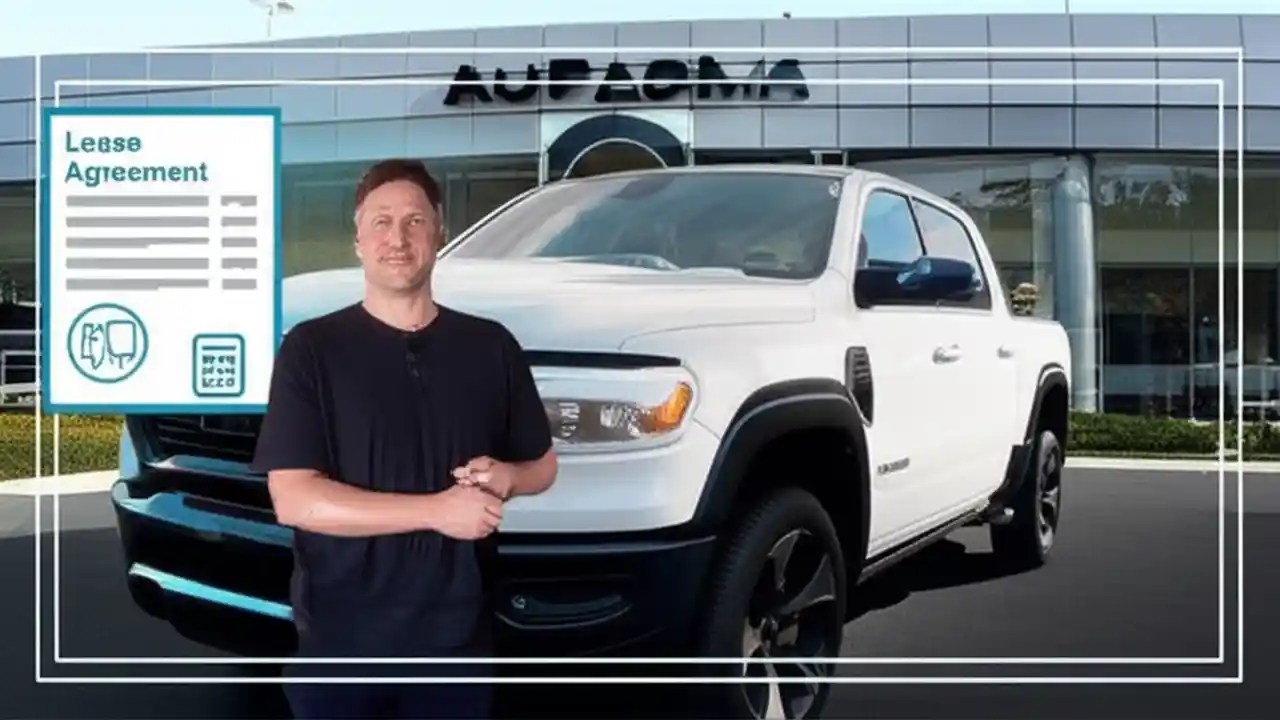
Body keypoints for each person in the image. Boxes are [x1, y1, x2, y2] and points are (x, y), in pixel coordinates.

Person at [250, 158, 558, 719]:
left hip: (458, 645)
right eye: (382, 223)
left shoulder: (491, 347)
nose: (398, 238)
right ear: (358, 241)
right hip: (341, 645)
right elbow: (294, 498)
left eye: (414, 221)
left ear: (439, 231)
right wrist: (438, 511)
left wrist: (508, 477)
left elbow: (543, 465)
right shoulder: (312, 349)